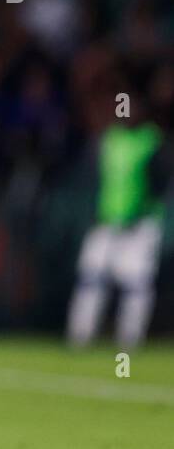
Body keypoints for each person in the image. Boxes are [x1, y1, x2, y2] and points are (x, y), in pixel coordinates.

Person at [67, 101, 166, 348]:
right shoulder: (108, 141)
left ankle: (129, 340)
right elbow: (92, 180)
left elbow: (160, 182)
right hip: (106, 221)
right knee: (90, 280)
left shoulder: (151, 141)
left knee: (136, 285)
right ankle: (80, 337)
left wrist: (145, 214)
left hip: (139, 225)